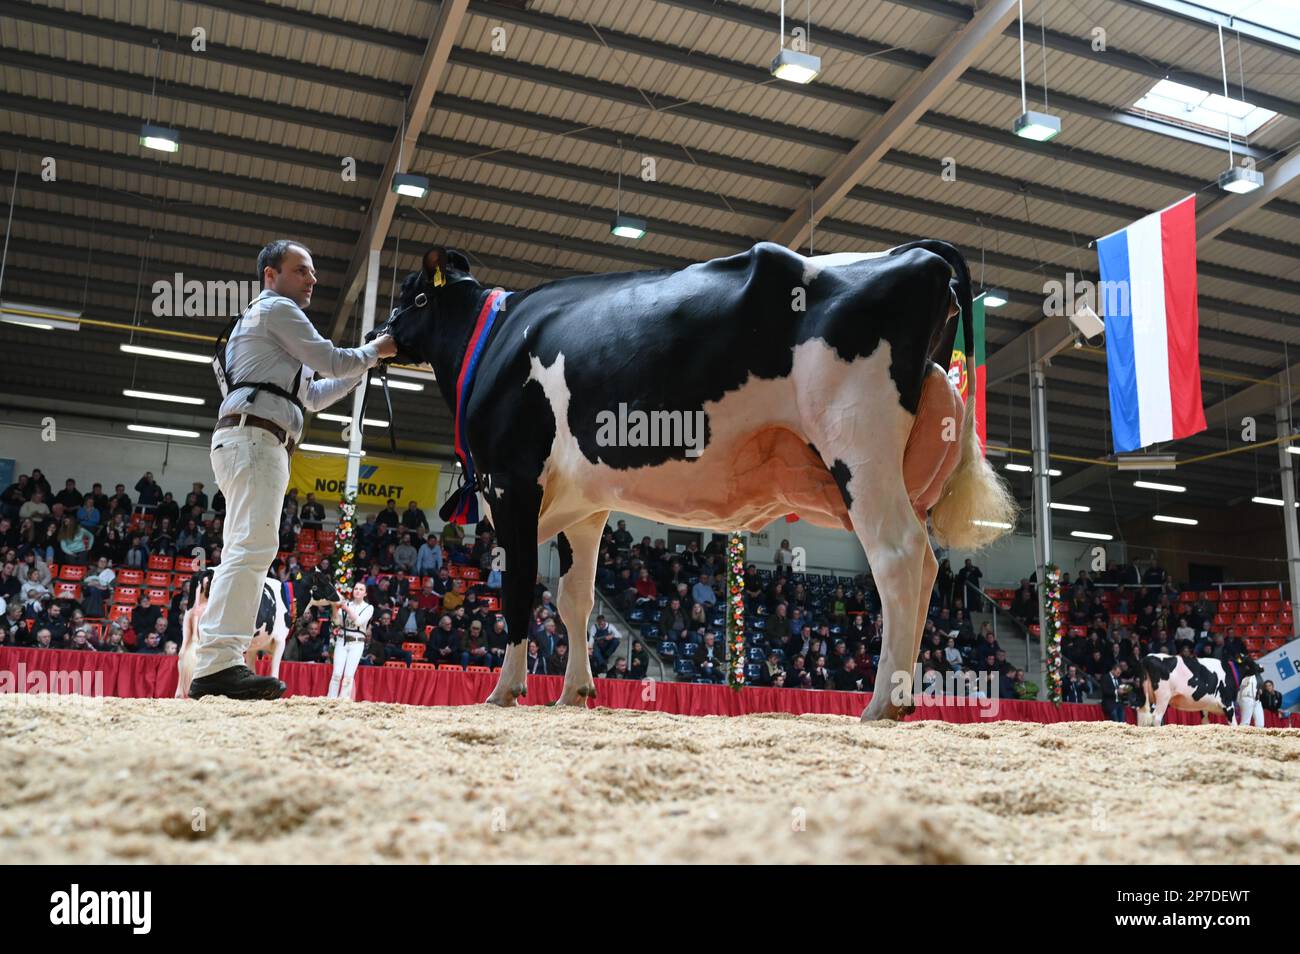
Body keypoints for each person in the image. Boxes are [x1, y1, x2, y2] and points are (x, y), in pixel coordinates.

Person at [189, 240, 396, 700]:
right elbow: (333, 358)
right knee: (250, 548)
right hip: (256, 438)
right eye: (301, 269)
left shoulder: (273, 332)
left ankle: (220, 659)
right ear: (271, 274)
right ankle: (219, 661)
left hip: (256, 438)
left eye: (312, 272)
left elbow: (316, 393)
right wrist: (374, 349)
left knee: (246, 548)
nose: (312, 279)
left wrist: (367, 359)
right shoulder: (276, 309)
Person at [328, 582, 373, 700]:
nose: (358, 591)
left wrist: (346, 608)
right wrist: (333, 606)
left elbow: (359, 622)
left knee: (348, 676)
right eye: (356, 588)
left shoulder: (368, 607)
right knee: (336, 674)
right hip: (342, 640)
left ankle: (344, 700)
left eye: (361, 589)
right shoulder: (346, 604)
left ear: (365, 593)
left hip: (357, 643)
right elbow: (337, 622)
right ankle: (330, 699)